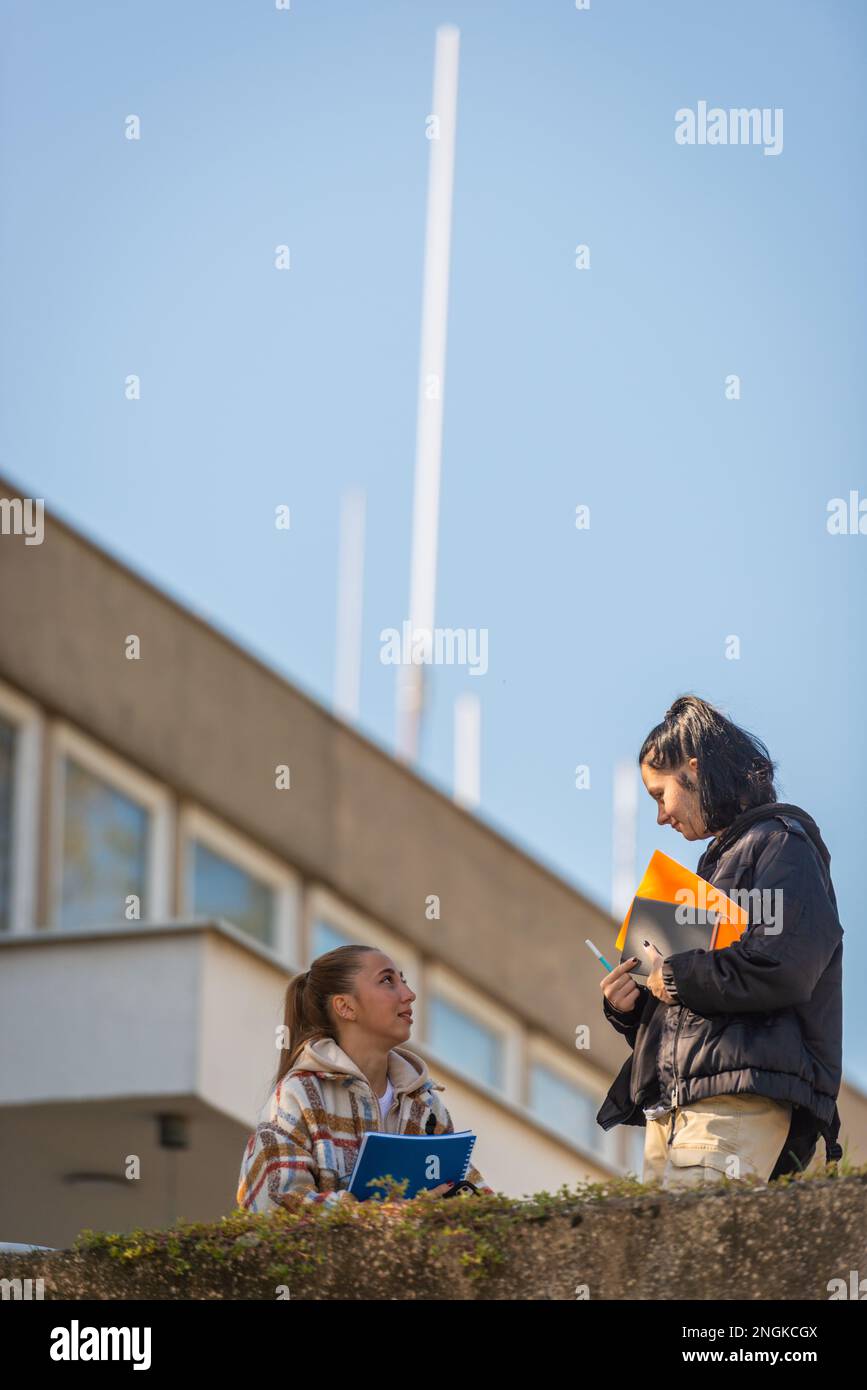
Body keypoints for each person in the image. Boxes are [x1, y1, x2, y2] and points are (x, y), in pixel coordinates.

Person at [597, 694, 844, 1190]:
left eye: (659, 794)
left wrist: (675, 976)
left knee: (689, 1261)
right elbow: (704, 1012)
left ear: (693, 768)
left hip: (733, 1106)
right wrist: (634, 1007)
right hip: (678, 1110)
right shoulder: (722, 864)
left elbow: (782, 967)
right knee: (669, 1261)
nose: (661, 816)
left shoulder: (781, 844)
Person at [236, 943, 493, 1211]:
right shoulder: (295, 1096)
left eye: (403, 980)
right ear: (345, 1007)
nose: (410, 994)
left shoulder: (426, 1106)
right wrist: (392, 1215)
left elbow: (482, 1206)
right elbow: (276, 1207)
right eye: (387, 980)